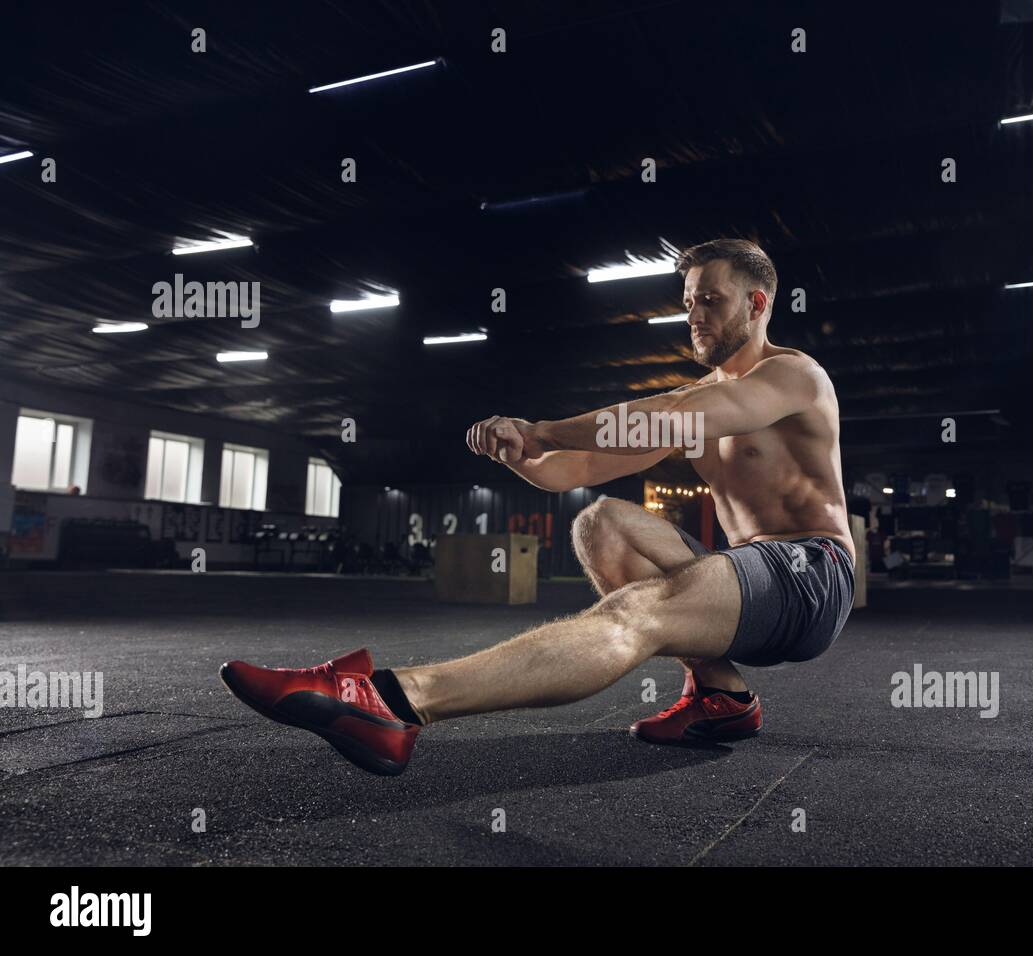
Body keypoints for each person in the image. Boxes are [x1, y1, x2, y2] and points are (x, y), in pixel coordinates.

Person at [220, 239, 855, 774]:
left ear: (758, 303)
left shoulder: (793, 376)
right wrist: (522, 451)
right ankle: (721, 695)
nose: (695, 317)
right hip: (749, 572)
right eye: (689, 304)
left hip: (813, 575)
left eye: (710, 302)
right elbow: (574, 471)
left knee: (640, 611)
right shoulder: (698, 395)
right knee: (601, 523)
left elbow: (666, 418)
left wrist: (548, 426)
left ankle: (395, 701)